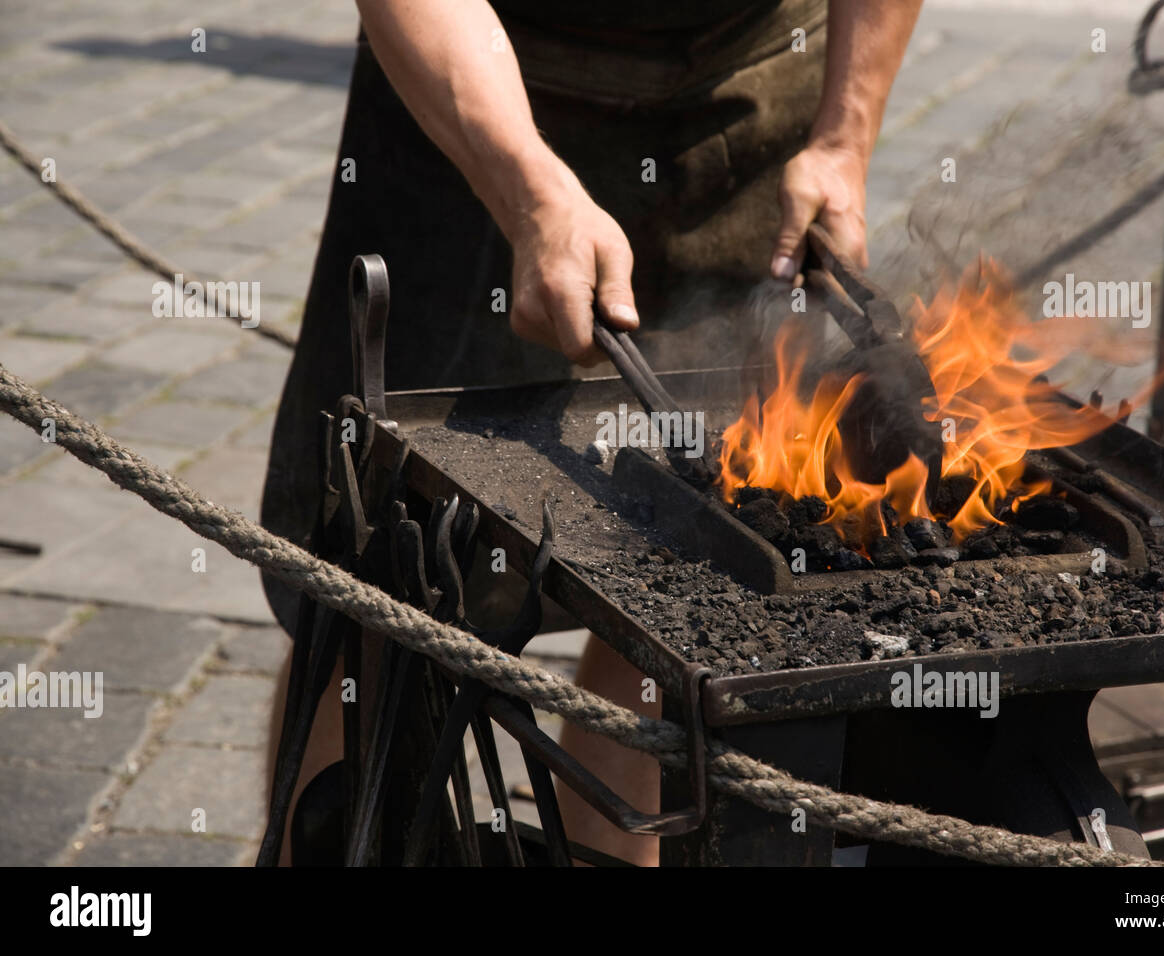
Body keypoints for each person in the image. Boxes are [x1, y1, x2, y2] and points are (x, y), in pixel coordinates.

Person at [262, 0, 923, 866]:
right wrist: (530, 191)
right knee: (371, 584)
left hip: (746, 86)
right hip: (473, 85)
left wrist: (845, 135)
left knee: (693, 580)